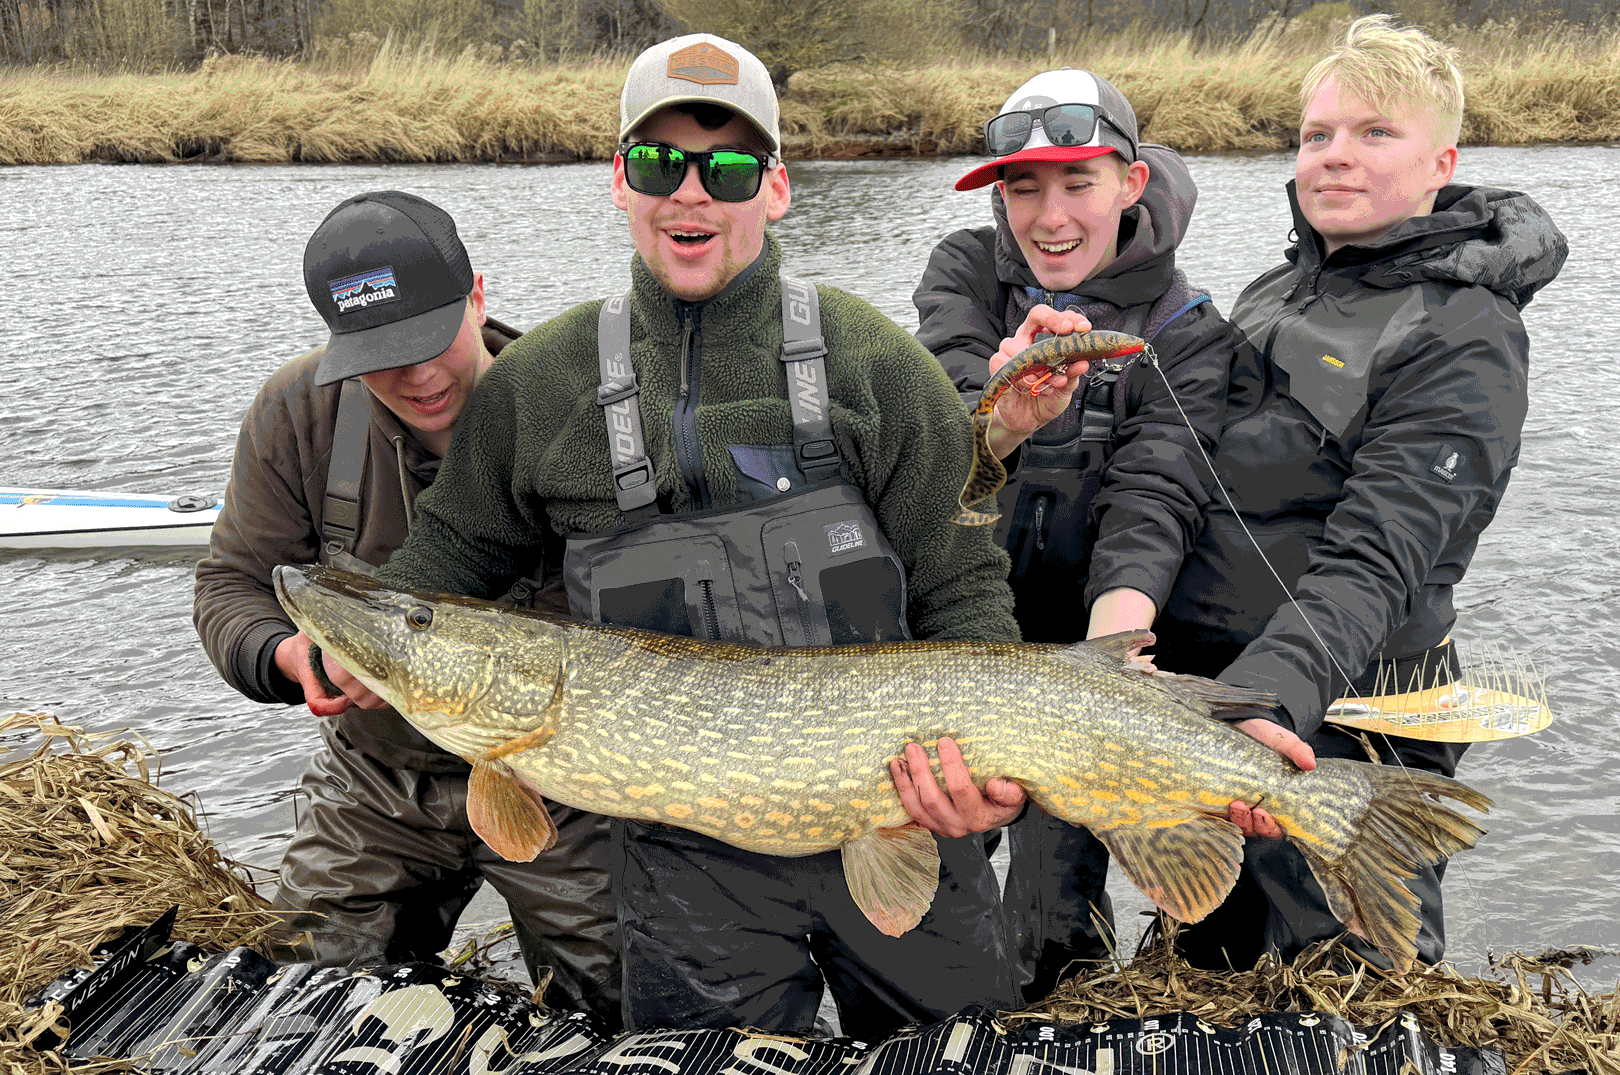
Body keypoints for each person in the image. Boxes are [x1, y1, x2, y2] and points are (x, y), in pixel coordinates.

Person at [371, 34, 1022, 1038]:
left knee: (958, 1062)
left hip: (904, 816)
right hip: (686, 874)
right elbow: (442, 565)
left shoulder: (873, 363)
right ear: (619, 183)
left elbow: (964, 586)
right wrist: (337, 642)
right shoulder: (537, 387)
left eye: (725, 168)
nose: (691, 194)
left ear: (776, 188)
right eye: (657, 163)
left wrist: (987, 789)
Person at [1151, 14, 1568, 970]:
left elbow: (1378, 558)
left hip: (1347, 724)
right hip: (1221, 713)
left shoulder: (1465, 334)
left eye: (1375, 133)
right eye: (1317, 135)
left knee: (1349, 990)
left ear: (1442, 162)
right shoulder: (1273, 290)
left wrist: (1264, 700)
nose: (1335, 158)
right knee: (1222, 979)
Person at [193, 190, 622, 1028]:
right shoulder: (299, 415)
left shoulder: (580, 415)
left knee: (627, 1004)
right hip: (377, 780)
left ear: (479, 296)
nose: (420, 376)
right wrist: (290, 659)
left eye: (434, 337)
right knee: (296, 1005)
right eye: (386, 354)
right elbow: (231, 587)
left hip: (561, 783)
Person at [908, 68, 1239, 1002]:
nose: (1048, 216)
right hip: (954, 649)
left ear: (1131, 184)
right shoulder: (964, 271)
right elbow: (945, 408)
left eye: (1076, 183)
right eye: (1024, 187)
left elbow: (1156, 495)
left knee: (1054, 936)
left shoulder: (1189, 330)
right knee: (937, 924)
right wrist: (1004, 414)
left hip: (1087, 653)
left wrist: (1113, 653)